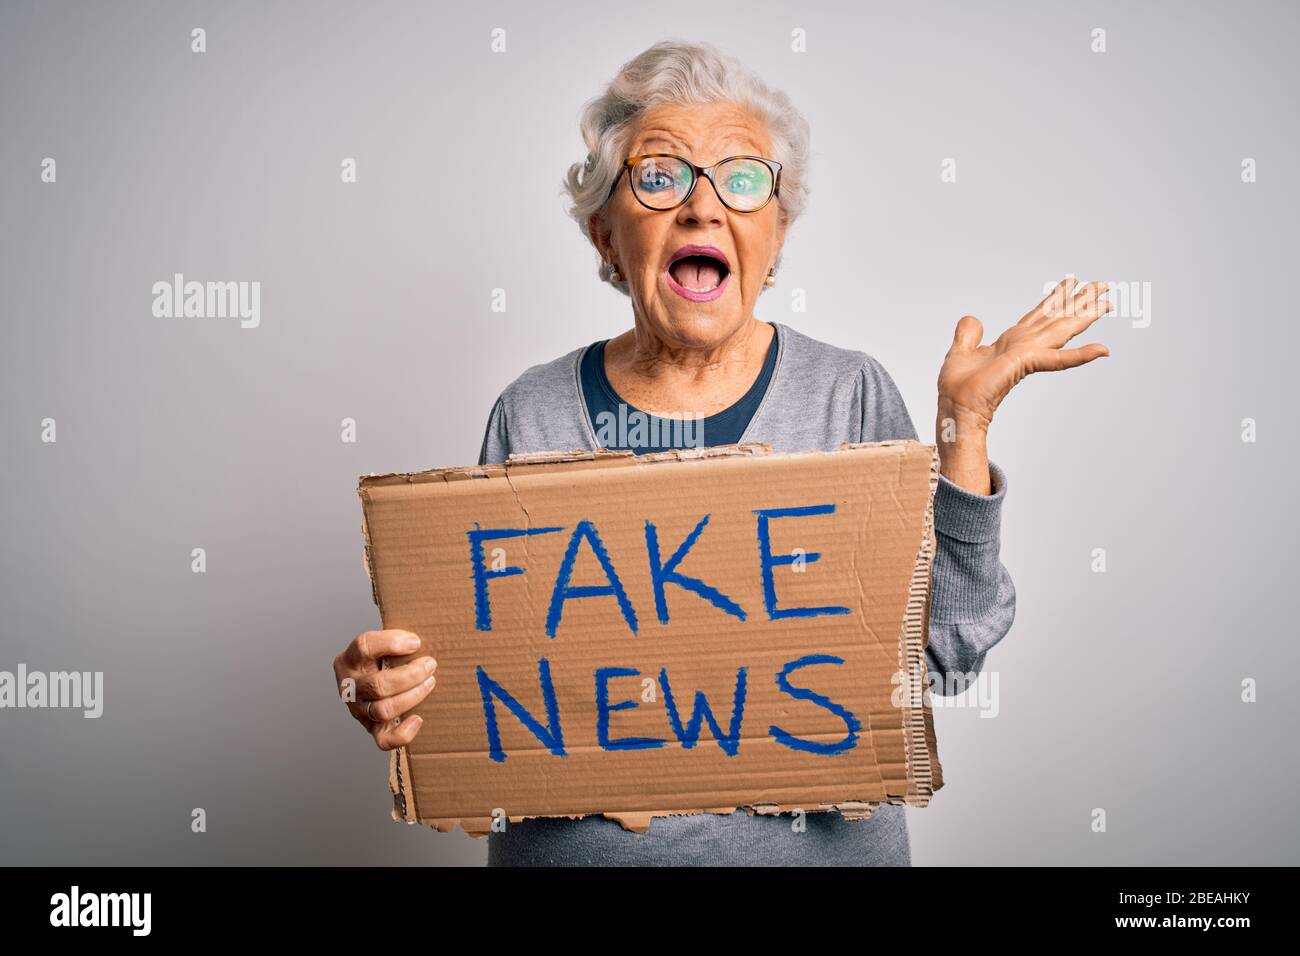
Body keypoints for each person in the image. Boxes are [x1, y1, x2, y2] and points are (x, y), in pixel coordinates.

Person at [333, 39, 1112, 866]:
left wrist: (963, 424)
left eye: (742, 180)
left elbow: (946, 662)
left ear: (773, 238)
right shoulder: (531, 412)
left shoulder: (848, 397)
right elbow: (492, 692)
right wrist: (393, 691)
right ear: (605, 234)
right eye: (660, 177)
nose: (704, 208)